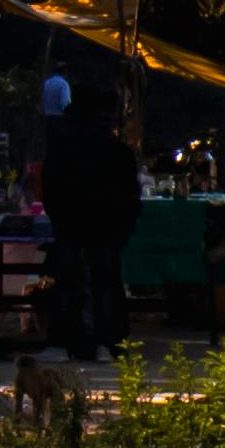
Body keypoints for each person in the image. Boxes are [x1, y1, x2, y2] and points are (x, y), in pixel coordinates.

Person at [48, 81, 145, 358]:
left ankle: (64, 341)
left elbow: (51, 189)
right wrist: (123, 226)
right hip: (106, 226)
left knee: (67, 281)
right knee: (106, 283)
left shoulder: (62, 148)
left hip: (70, 224)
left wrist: (59, 219)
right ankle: (109, 341)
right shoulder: (117, 151)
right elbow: (130, 194)